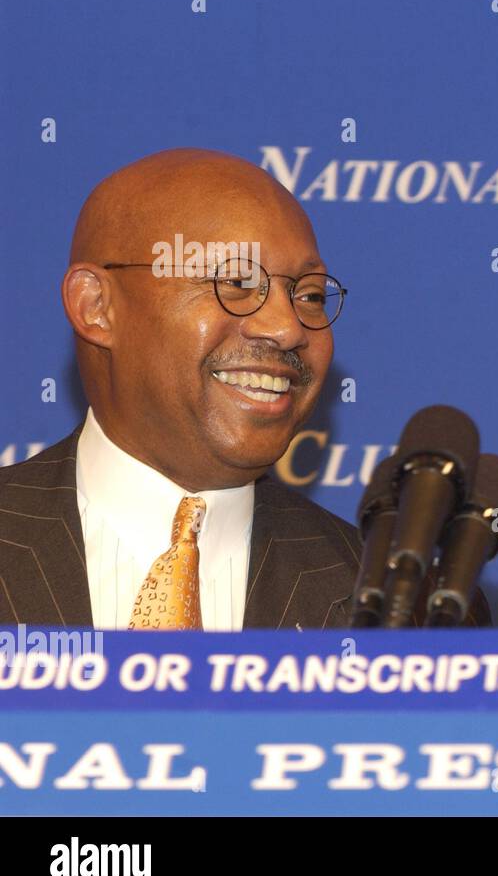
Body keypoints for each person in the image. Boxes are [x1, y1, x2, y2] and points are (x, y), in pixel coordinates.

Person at [4, 149, 366, 628]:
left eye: (311, 295)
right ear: (96, 306)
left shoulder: (397, 609)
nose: (287, 328)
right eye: (236, 281)